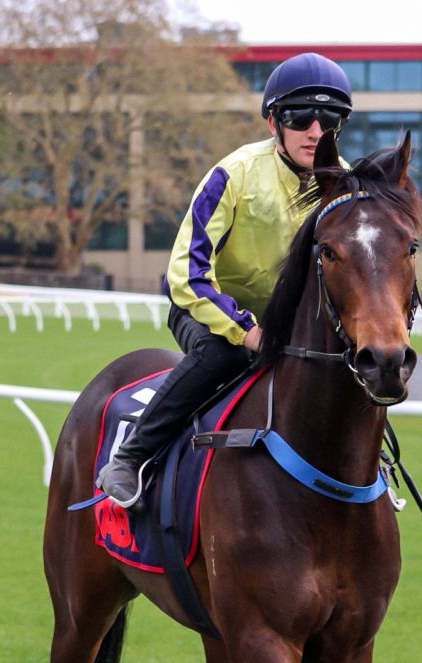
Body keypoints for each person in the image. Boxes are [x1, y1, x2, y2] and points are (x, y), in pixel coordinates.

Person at [96, 52, 354, 509]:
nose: (316, 131)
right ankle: (131, 456)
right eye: (301, 117)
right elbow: (187, 274)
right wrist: (248, 331)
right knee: (224, 353)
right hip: (207, 307)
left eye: (330, 119)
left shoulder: (346, 185)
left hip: (289, 322)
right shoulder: (234, 174)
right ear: (275, 122)